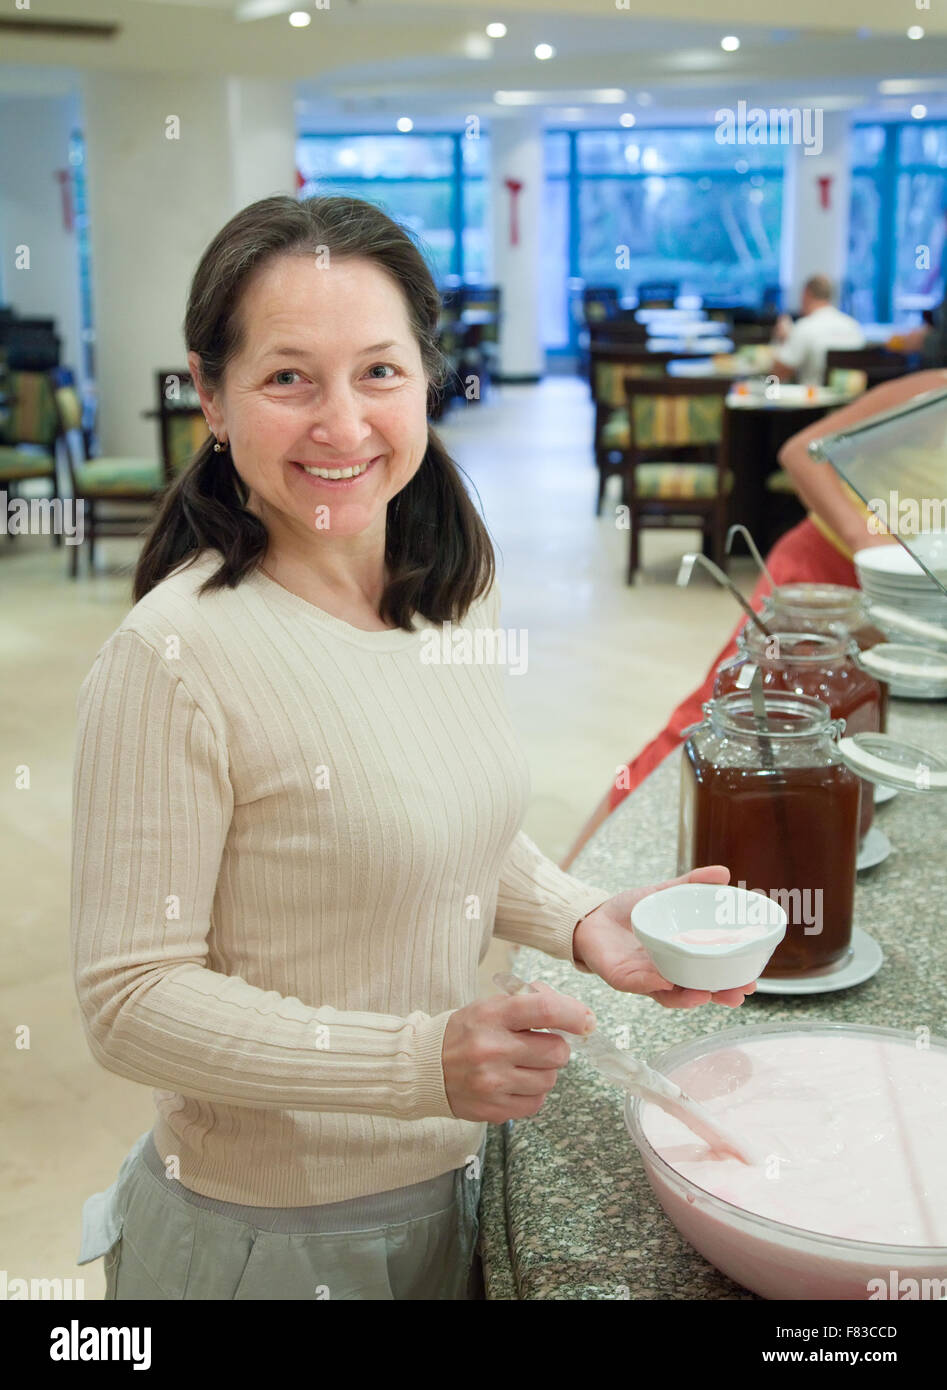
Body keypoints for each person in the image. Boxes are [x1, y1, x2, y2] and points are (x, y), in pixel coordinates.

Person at [71, 194, 756, 1304]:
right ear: (209, 393)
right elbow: (131, 996)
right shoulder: (174, 658)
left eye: (379, 372)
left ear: (428, 380)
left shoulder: (449, 596)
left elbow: (441, 813)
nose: (342, 424)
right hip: (271, 1238)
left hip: (448, 1180)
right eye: (289, 377)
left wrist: (581, 915)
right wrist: (418, 1061)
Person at [561, 368, 947, 871]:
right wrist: (868, 543)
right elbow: (803, 452)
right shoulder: (934, 391)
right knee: (712, 715)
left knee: (827, 738)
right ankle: (572, 878)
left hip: (910, 607)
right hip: (818, 579)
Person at [769, 274, 865, 386]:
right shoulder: (853, 326)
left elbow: (778, 374)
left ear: (806, 294)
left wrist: (782, 340)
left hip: (812, 399)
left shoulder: (805, 327)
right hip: (851, 400)